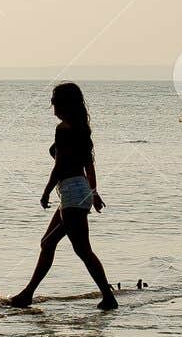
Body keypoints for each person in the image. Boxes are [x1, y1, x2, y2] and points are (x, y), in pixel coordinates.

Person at [9, 83, 118, 311]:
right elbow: (89, 165)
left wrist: (46, 191)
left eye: (55, 102)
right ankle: (28, 294)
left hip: (72, 194)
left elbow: (59, 166)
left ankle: (108, 297)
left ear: (64, 105)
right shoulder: (81, 129)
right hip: (77, 192)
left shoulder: (64, 130)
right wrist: (93, 193)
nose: (53, 106)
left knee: (77, 248)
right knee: (51, 244)